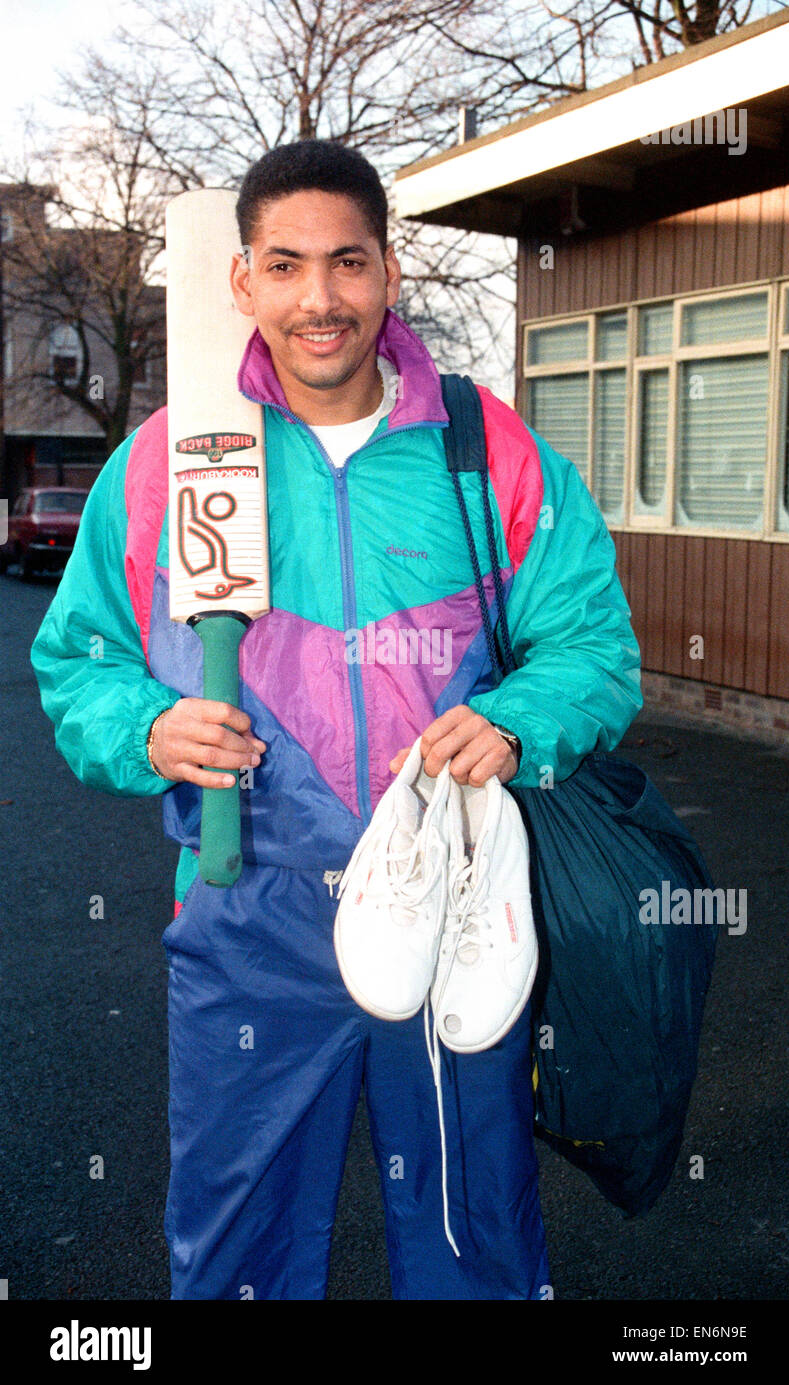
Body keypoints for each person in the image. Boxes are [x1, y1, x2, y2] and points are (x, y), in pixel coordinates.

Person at [31, 139, 643, 1301]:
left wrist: (514, 722)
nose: (320, 299)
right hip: (247, 912)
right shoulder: (167, 463)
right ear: (243, 280)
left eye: (347, 262)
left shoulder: (485, 450)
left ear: (390, 272)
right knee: (238, 1253)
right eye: (287, 264)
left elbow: (594, 649)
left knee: (474, 1243)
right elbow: (81, 662)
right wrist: (147, 731)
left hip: (455, 909)